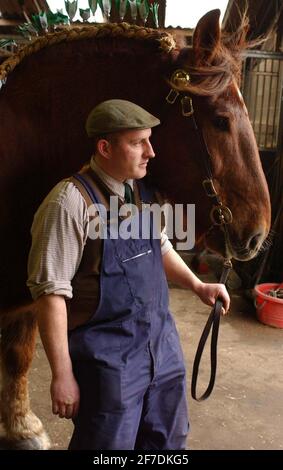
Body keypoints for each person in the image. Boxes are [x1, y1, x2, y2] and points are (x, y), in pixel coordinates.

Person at [27, 99, 230, 450]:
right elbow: (51, 295)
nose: (150, 152)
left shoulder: (139, 190)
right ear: (105, 147)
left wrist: (198, 285)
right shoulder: (70, 204)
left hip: (161, 350)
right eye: (138, 142)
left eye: (150, 140)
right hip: (110, 366)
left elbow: (160, 246)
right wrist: (62, 375)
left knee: (167, 441)